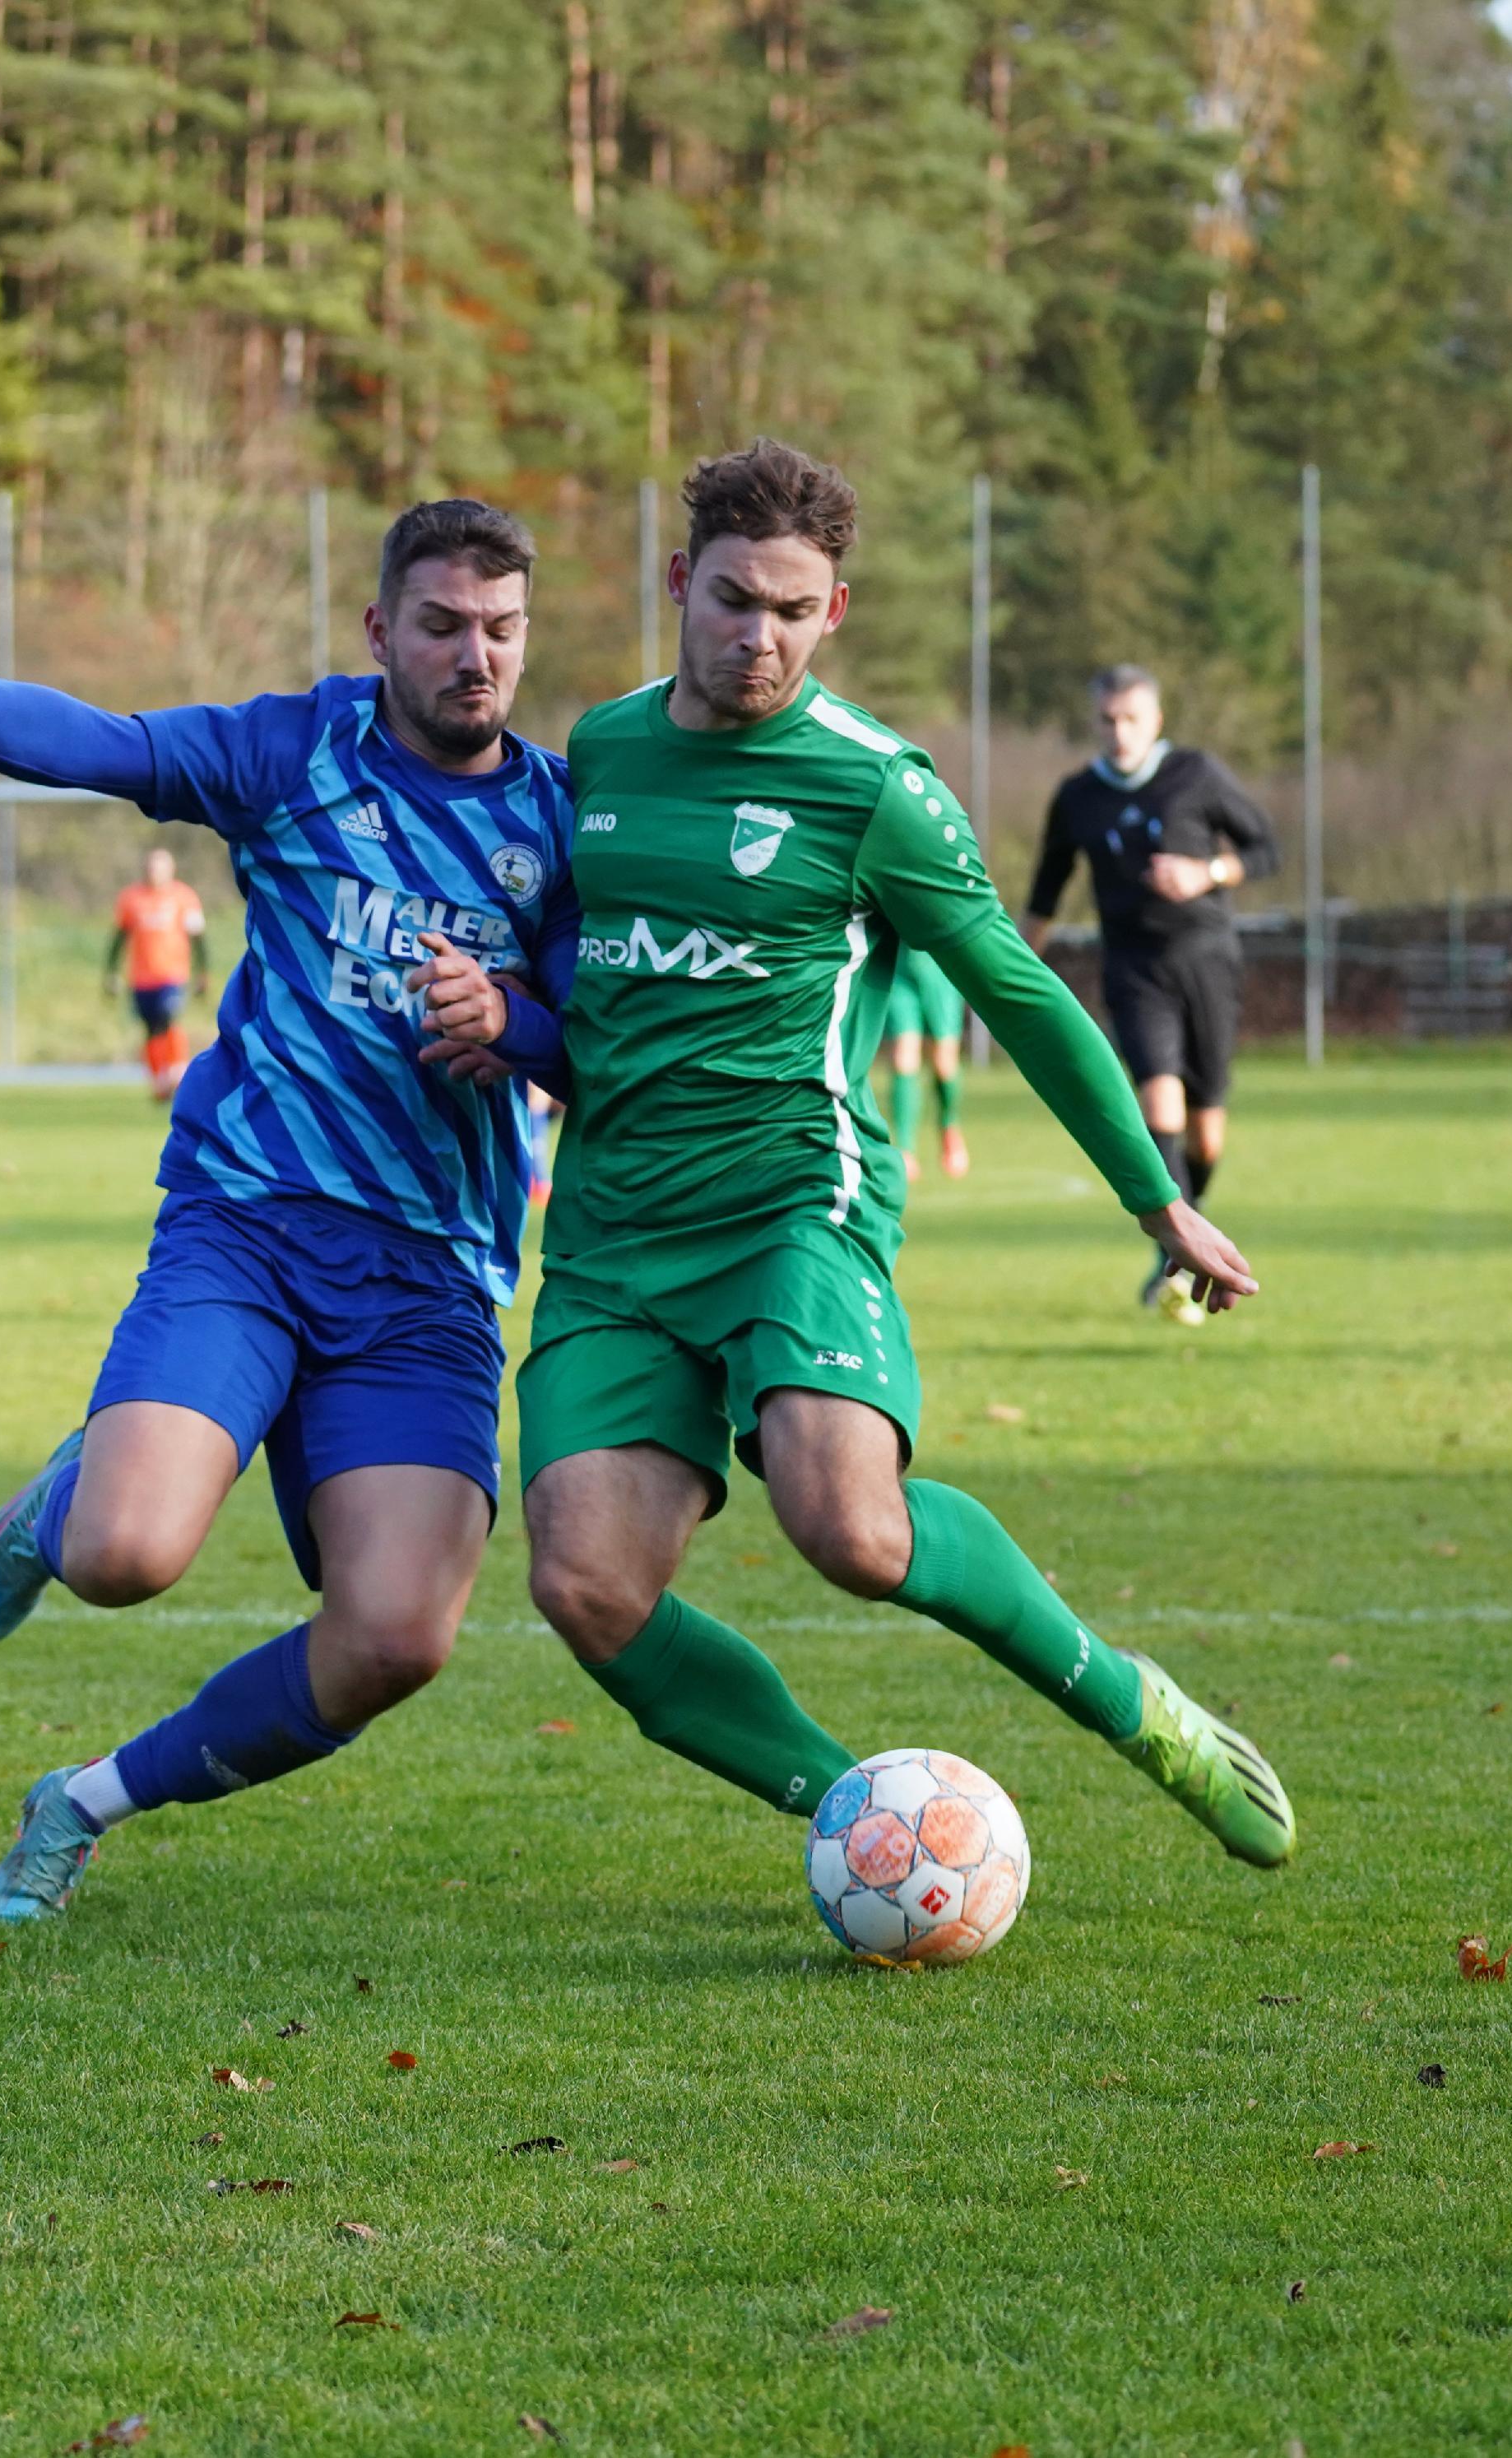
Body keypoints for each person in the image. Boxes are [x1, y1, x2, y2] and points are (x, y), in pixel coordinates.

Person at [422, 439, 1294, 1875]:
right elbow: (569, 971)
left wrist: (1159, 1200)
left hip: (789, 1206)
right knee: (588, 1585)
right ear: (675, 585)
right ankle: (868, 1817)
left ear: (834, 612)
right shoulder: (603, 752)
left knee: (853, 1532)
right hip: (613, 1230)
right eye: (730, 600)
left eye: (790, 607)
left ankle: (1132, 1702)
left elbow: (1020, 990)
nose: (756, 634)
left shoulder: (873, 787)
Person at [0, 499, 576, 1921]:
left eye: (501, 630)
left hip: (430, 1283)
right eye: (442, 626)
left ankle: (81, 1802)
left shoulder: (564, 819)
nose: (474, 657)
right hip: (249, 1230)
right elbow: (91, 741)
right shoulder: (294, 750)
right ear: (384, 629)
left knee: (395, 1635)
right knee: (124, 1558)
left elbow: (598, 1037)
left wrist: (512, 1018)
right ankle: (63, 1498)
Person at [1019, 666, 1279, 1323]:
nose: (1119, 731)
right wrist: (1007, 975)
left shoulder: (1197, 774)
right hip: (1134, 970)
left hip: (1209, 961)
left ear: (1155, 721)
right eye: (1107, 719)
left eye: (1131, 718)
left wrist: (1207, 871)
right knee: (1157, 1094)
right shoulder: (1078, 796)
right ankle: (1177, 1253)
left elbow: (1265, 847)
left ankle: (1190, 1224)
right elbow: (1045, 896)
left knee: (1207, 1132)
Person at [104, 846, 210, 1099]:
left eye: (160, 867)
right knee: (150, 1028)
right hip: (141, 977)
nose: (154, 872)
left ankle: (177, 1072)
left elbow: (198, 938)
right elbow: (119, 938)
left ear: (170, 869)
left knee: (168, 1018)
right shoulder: (131, 898)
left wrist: (203, 972)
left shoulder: (184, 897)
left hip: (172, 975)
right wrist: (110, 972)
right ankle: (159, 1081)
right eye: (151, 866)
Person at [870, 949, 970, 1181]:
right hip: (898, 965)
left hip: (940, 965)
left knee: (944, 1062)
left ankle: (949, 1124)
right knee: (904, 1054)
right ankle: (904, 1149)